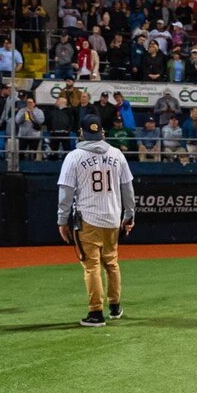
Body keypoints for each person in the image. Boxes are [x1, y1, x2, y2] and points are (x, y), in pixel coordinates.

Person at [57, 115, 136, 327]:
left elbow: (65, 193)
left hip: (88, 219)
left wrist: (62, 220)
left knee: (91, 267)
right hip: (112, 217)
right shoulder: (117, 154)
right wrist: (129, 215)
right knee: (111, 262)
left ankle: (96, 313)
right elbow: (128, 188)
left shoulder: (74, 157)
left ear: (81, 133)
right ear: (101, 132)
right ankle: (115, 306)